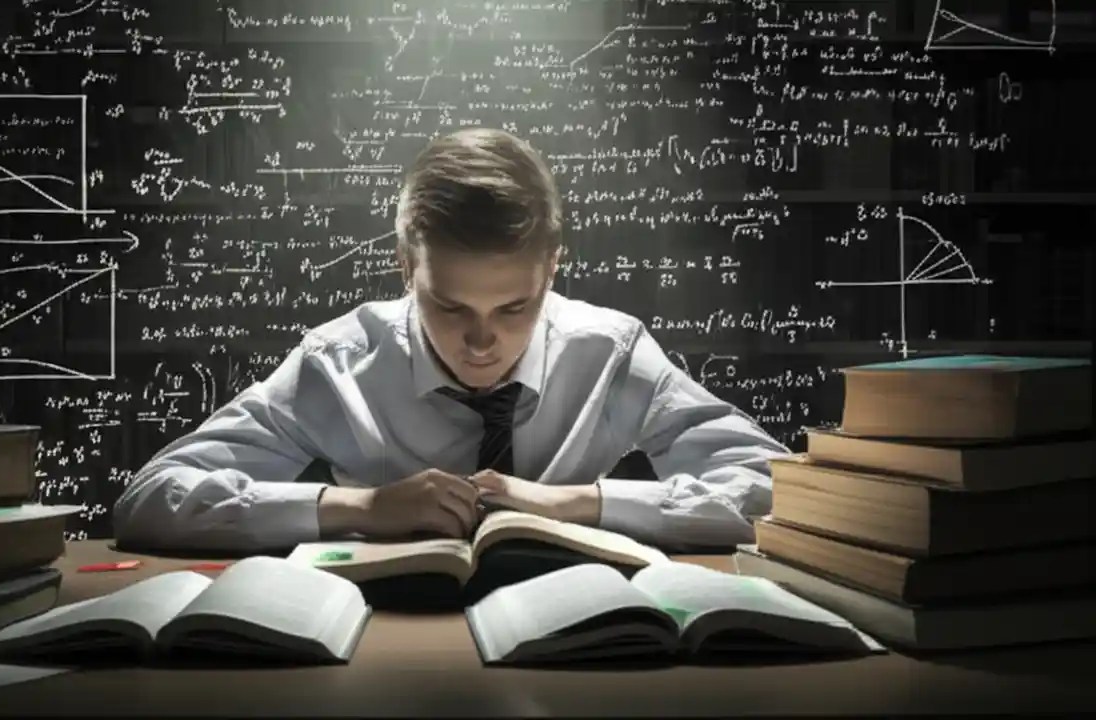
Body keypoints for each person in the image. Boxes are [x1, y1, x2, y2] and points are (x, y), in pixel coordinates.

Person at [113, 127, 790, 553]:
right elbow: (149, 500)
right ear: (407, 267)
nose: (482, 343)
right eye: (448, 304)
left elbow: (785, 492)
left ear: (553, 268)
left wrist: (580, 503)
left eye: (517, 306)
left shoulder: (610, 354)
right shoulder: (338, 364)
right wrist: (359, 508)